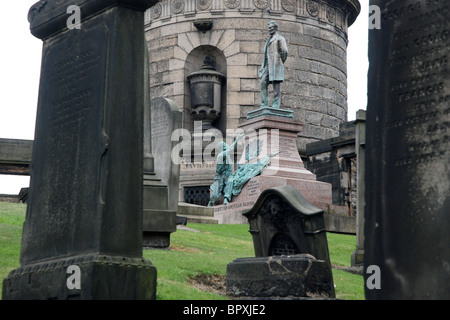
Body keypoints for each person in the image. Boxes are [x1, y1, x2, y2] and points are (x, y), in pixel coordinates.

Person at [207, 133, 244, 206]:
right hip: (220, 177)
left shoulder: (227, 156)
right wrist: (237, 139)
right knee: (216, 194)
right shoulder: (221, 156)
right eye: (225, 146)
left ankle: (226, 198)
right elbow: (230, 149)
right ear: (223, 148)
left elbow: (230, 149)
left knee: (230, 181)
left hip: (228, 175)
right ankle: (211, 202)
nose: (227, 146)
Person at [258, 21, 288, 109]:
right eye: (268, 28)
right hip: (267, 66)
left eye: (271, 27)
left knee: (276, 85)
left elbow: (285, 51)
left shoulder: (280, 38)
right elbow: (265, 55)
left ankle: (276, 104)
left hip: (276, 65)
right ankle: (264, 104)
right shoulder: (268, 40)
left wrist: (279, 62)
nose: (269, 29)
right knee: (263, 83)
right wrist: (262, 67)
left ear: (275, 28)